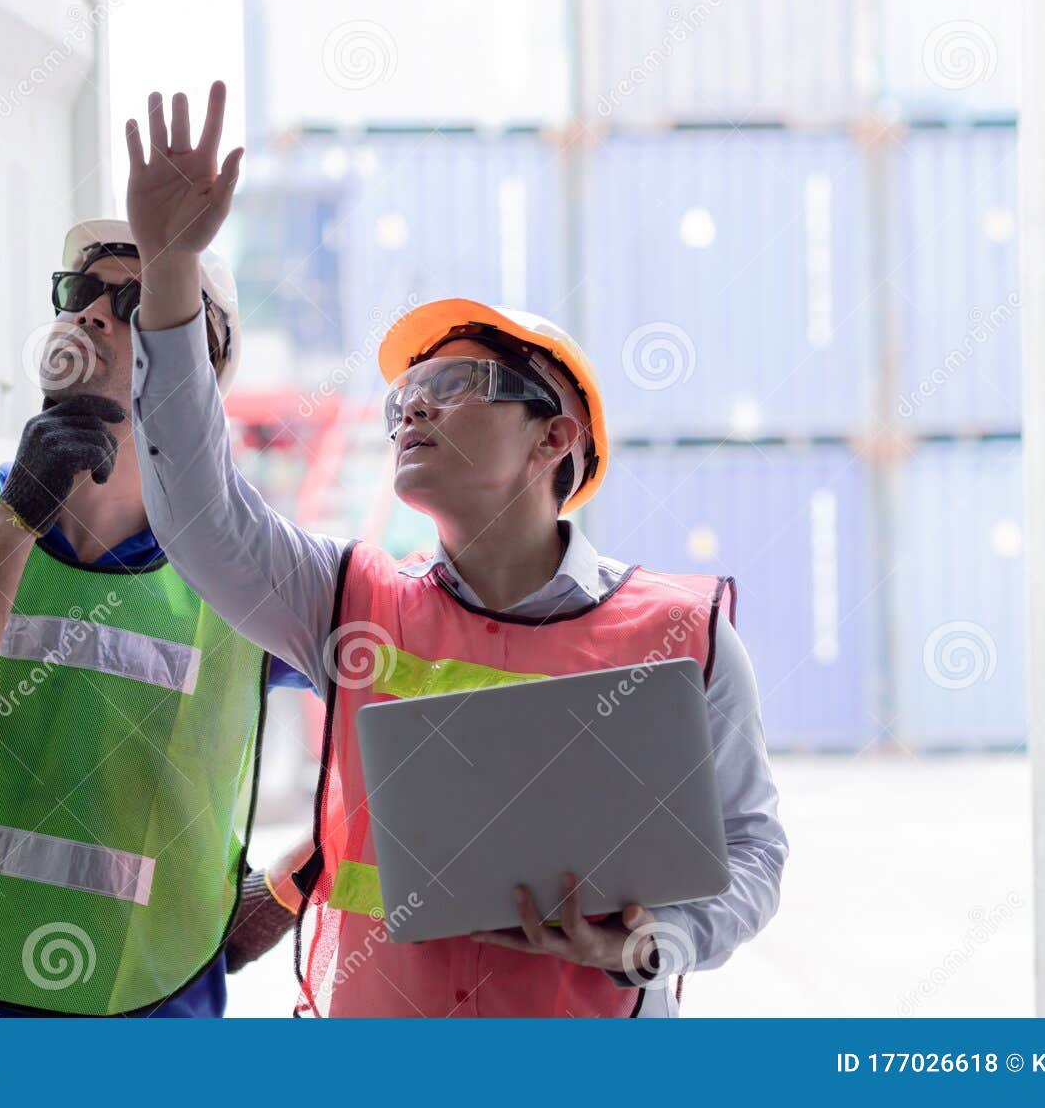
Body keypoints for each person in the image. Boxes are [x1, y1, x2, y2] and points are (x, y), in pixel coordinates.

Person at [123, 81, 787, 1017]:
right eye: (404, 398)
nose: (412, 410)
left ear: (554, 438)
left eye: (455, 383)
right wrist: (170, 270)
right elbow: (197, 513)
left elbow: (753, 846)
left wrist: (650, 944)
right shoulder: (347, 599)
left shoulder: (684, 636)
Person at [0, 219, 312, 1017]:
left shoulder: (248, 569)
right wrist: (17, 515)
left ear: (196, 371)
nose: (93, 313)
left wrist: (288, 886)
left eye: (135, 304)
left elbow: (421, 717)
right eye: (82, 291)